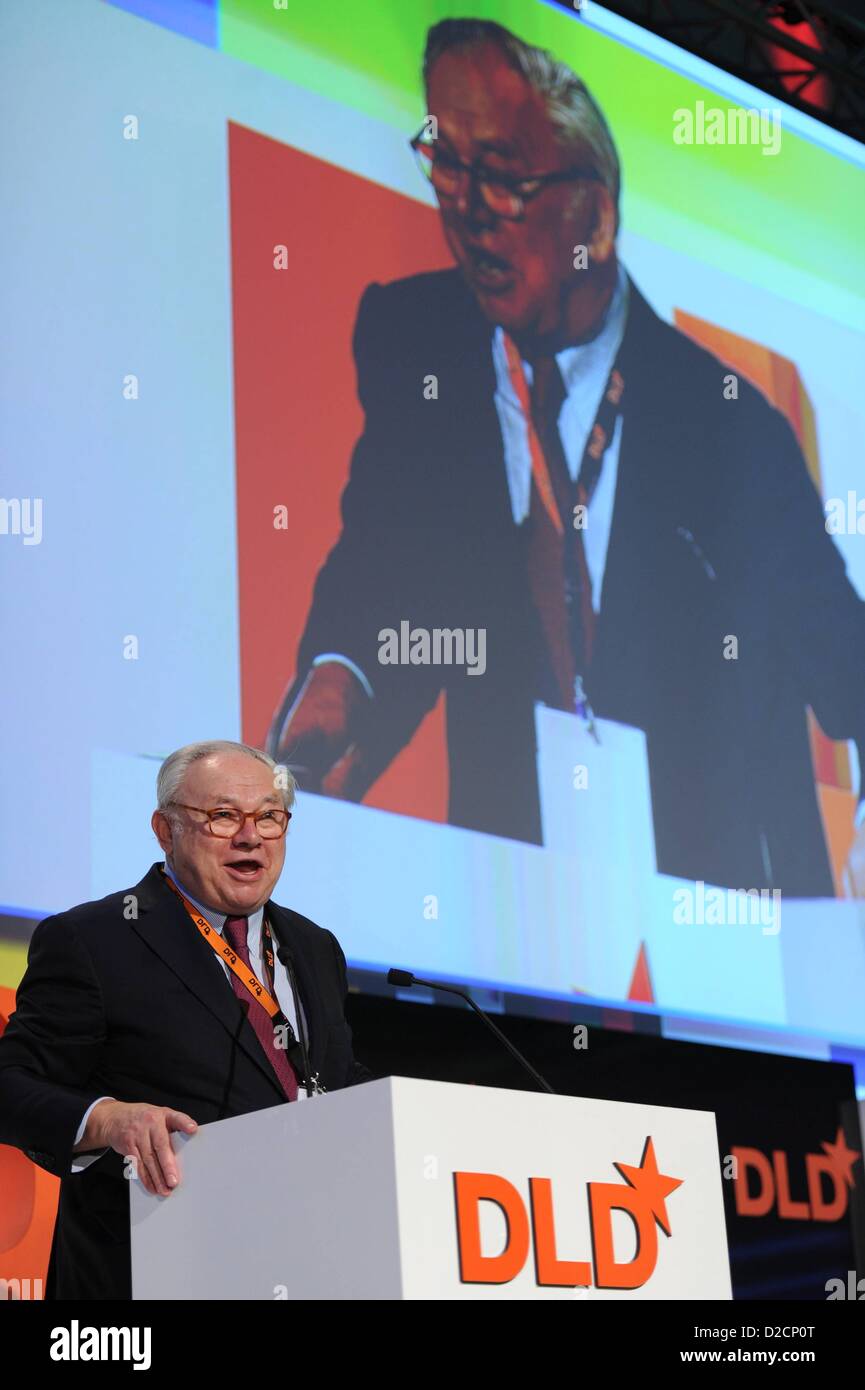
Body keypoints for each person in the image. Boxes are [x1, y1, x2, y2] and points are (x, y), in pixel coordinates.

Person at [268, 17, 865, 898]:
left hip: (710, 921)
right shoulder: (414, 338)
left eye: (503, 177)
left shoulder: (729, 425)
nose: (464, 208)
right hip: (506, 914)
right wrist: (339, 673)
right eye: (446, 160)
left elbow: (842, 659)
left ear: (597, 209)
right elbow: (383, 554)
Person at [0, 740, 370, 1300]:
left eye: (269, 817)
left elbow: (333, 1080)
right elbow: (10, 1085)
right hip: (148, 1277)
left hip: (305, 1266)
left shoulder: (315, 946)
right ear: (166, 829)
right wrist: (105, 1119)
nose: (251, 836)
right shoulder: (96, 940)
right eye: (223, 816)